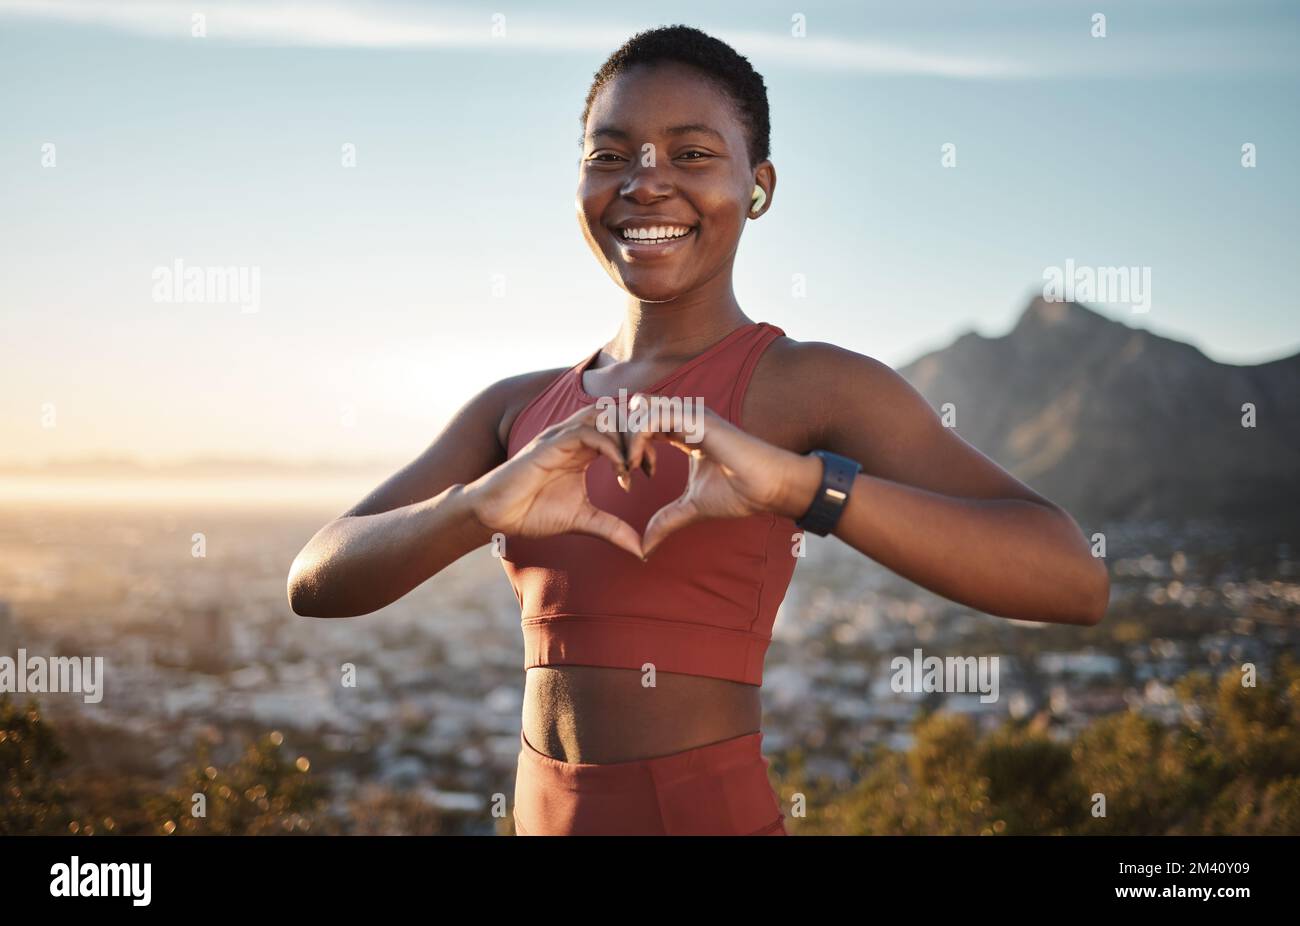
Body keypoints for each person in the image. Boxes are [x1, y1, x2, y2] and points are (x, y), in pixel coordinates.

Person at [287, 25, 1109, 836]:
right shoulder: (517, 408)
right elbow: (316, 579)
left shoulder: (811, 384)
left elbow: (1072, 580)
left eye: (691, 154)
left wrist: (800, 487)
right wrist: (474, 510)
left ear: (759, 186)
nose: (645, 183)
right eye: (610, 155)